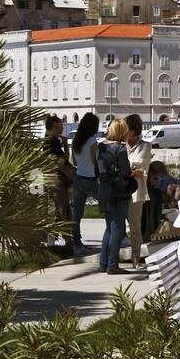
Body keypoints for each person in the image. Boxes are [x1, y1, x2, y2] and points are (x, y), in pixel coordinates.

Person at [96, 119, 136, 274]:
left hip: (104, 190)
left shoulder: (101, 147)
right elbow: (125, 172)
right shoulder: (119, 149)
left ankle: (103, 262)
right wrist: (135, 172)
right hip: (118, 191)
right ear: (122, 132)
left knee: (108, 228)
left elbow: (96, 170)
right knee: (118, 228)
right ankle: (113, 265)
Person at [124, 114, 152, 270]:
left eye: (126, 129)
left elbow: (138, 165)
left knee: (135, 227)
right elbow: (132, 168)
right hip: (120, 190)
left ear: (134, 131)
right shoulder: (120, 145)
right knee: (115, 226)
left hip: (136, 192)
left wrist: (125, 168)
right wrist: (132, 169)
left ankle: (136, 259)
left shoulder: (145, 146)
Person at [69, 113, 100, 255]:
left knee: (77, 213)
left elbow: (74, 162)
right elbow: (96, 162)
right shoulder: (93, 141)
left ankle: (77, 244)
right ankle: (119, 236)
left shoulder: (76, 140)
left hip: (78, 178)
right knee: (109, 206)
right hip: (91, 179)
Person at [43, 115, 72, 227]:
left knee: (56, 210)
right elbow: (62, 161)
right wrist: (65, 146)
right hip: (56, 179)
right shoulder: (53, 140)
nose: (63, 127)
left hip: (49, 178)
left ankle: (54, 236)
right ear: (55, 124)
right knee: (63, 209)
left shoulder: (47, 138)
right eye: (61, 124)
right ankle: (67, 238)